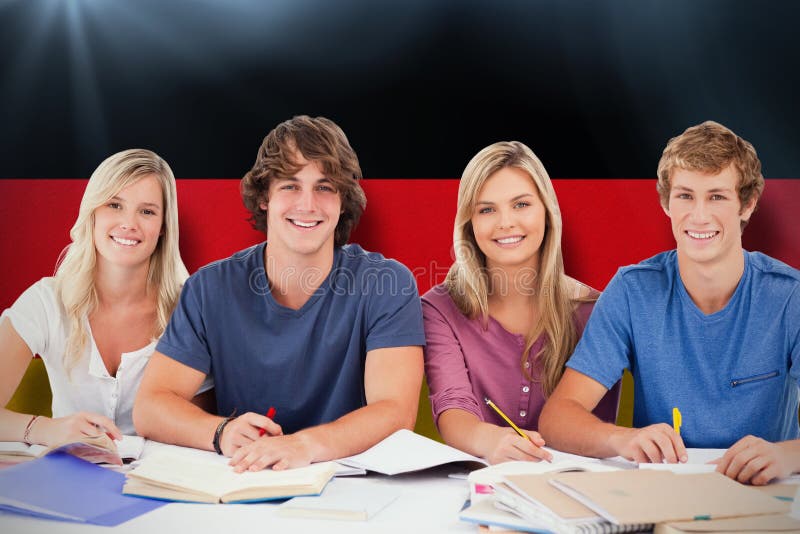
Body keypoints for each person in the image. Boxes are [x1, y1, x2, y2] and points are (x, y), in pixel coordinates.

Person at [134, 115, 425, 472]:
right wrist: (222, 431)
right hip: (244, 477)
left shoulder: (388, 284)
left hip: (349, 485)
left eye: (325, 187)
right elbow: (151, 406)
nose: (308, 204)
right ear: (264, 199)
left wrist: (303, 445)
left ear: (342, 201)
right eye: (290, 185)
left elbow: (395, 412)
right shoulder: (209, 289)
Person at [539, 121, 800, 485]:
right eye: (685, 196)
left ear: (748, 204)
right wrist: (621, 438)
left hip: (763, 495)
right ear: (666, 202)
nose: (699, 215)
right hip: (665, 489)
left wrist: (787, 455)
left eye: (717, 196)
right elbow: (558, 417)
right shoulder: (632, 291)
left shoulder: (789, 296)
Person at [422, 141, 620, 464]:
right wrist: (490, 441)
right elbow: (452, 405)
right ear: (469, 223)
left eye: (521, 205)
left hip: (579, 489)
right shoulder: (439, 310)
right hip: (484, 485)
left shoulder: (596, 310)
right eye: (487, 209)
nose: (505, 223)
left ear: (547, 211)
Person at [0, 149, 198, 445]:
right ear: (92, 213)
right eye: (115, 205)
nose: (129, 223)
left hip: (158, 481)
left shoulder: (189, 309)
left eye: (147, 211)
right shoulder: (46, 301)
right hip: (66, 479)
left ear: (163, 228)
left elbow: (200, 422)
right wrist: (46, 429)